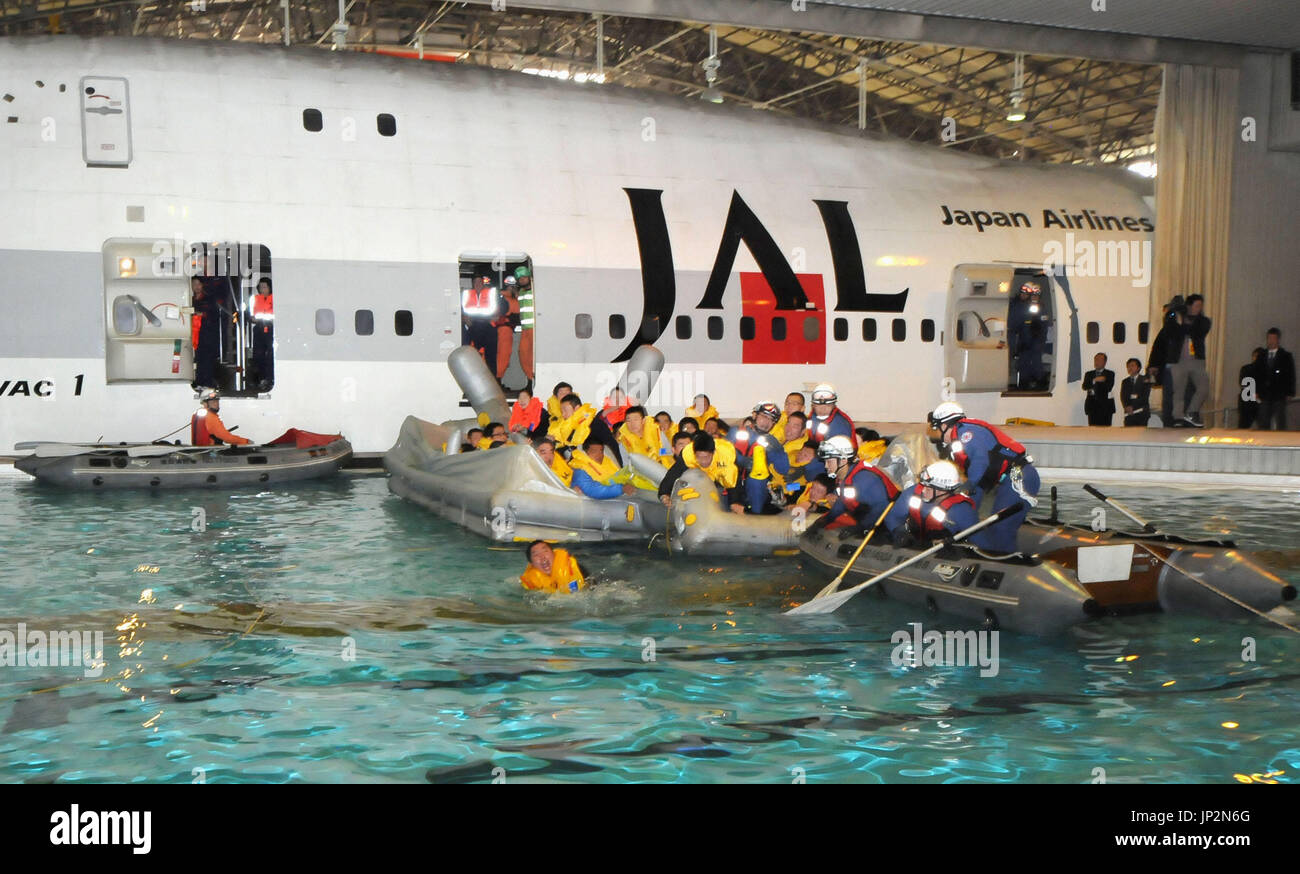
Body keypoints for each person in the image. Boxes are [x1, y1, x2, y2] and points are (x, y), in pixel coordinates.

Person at [927, 402, 1037, 554]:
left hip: (1019, 478)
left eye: (937, 429)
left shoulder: (966, 434)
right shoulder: (964, 437)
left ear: (945, 425)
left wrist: (969, 485)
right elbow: (977, 485)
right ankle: (993, 552)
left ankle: (1002, 560)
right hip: (1011, 479)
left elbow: (980, 462)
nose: (939, 437)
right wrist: (964, 513)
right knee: (995, 525)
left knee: (1002, 527)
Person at [883, 461, 994, 550]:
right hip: (914, 544)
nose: (923, 490)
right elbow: (893, 516)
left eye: (929, 488)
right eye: (923, 485)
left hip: (944, 552)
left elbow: (982, 544)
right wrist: (899, 531)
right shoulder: (913, 493)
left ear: (943, 490)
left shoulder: (961, 511)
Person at [799, 434, 899, 533]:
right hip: (867, 518)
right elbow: (841, 504)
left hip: (887, 525)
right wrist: (824, 521)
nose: (826, 466)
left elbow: (882, 506)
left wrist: (861, 528)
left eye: (829, 462)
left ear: (843, 460)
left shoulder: (863, 478)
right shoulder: (846, 477)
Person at [732, 402, 792, 514]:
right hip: (731, 484)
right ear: (755, 415)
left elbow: (783, 469)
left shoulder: (771, 441)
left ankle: (755, 515)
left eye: (771, 420)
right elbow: (721, 454)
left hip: (755, 487)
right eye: (764, 416)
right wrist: (741, 460)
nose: (766, 422)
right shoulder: (736, 432)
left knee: (757, 480)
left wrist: (777, 451)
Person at [658, 433, 742, 512]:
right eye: (699, 457)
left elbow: (733, 480)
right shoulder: (688, 455)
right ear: (694, 454)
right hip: (697, 483)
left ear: (713, 453)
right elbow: (672, 475)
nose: (703, 461)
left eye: (706, 457)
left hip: (718, 483)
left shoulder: (725, 456)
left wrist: (735, 501)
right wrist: (664, 494)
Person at [1167, 294, 1211, 427]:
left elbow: (1196, 332)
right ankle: (1178, 418)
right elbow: (1171, 332)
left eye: (1200, 306)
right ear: (1189, 306)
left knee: (1204, 387)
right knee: (1179, 391)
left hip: (1196, 360)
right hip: (1178, 360)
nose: (1199, 308)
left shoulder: (1203, 321)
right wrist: (1176, 316)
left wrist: (1182, 323)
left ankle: (1192, 411)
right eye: (1196, 305)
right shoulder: (1175, 317)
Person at [1007, 280, 1049, 390]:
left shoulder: (1039, 309)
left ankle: (1039, 382)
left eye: (1036, 295)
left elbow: (1043, 327)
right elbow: (1016, 323)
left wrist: (1039, 340)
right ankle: (1024, 383)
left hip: (1035, 340)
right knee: (1023, 362)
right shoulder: (1019, 306)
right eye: (1032, 295)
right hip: (1023, 340)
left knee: (1035, 361)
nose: (1034, 297)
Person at [569, 436, 637, 500]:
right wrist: (621, 489)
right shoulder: (579, 469)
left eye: (601, 451)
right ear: (585, 452)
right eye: (594, 451)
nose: (599, 455)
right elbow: (592, 490)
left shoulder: (607, 462)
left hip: (619, 499)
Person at [1257, 328, 1296, 431]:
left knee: (1280, 421)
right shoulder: (1261, 355)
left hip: (1279, 394)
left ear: (1278, 340)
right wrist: (1256, 391)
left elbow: (1290, 375)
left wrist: (1290, 393)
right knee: (1263, 421)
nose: (1271, 341)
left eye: (1273, 338)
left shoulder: (1286, 356)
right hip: (1264, 394)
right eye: (1269, 338)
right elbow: (1257, 374)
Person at [462, 275, 501, 368]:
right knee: (473, 356)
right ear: (472, 284)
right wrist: (465, 319)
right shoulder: (467, 294)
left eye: (480, 282)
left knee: (491, 357)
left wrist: (497, 317)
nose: (477, 284)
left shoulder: (491, 293)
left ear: (483, 283)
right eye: (475, 282)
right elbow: (460, 310)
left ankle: (492, 376)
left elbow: (501, 308)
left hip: (489, 327)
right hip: (473, 327)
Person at [520, 540, 586, 593]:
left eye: (545, 551)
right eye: (536, 555)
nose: (542, 557)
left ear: (554, 554)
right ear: (532, 564)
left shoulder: (576, 569)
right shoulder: (531, 584)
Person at [806, 383, 857, 450]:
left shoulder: (840, 424)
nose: (823, 408)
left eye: (827, 405)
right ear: (813, 405)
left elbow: (839, 451)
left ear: (833, 405)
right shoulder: (812, 418)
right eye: (819, 405)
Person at [190, 276, 220, 390]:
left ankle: (207, 382)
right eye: (194, 284)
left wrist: (201, 314)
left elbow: (214, 314)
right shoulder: (190, 299)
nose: (196, 287)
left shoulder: (209, 299)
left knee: (206, 358)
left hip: (206, 333)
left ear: (202, 285)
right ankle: (198, 382)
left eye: (198, 284)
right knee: (197, 358)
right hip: (194, 333)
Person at [494, 276, 521, 384]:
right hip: (504, 330)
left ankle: (494, 379)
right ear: (512, 288)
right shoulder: (510, 300)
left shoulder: (498, 297)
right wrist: (517, 296)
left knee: (494, 355)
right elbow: (519, 311)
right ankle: (497, 380)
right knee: (503, 356)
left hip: (495, 329)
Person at [250, 277, 274, 391]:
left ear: (270, 288)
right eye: (260, 287)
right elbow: (250, 314)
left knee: (271, 355)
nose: (262, 289)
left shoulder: (275, 299)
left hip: (271, 328)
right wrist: (252, 318)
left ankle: (270, 378)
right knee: (258, 355)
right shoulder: (254, 299)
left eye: (264, 287)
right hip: (259, 329)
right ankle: (261, 379)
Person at [514, 266, 535, 390]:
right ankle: (530, 379)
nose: (522, 280)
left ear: (529, 277)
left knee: (533, 356)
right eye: (519, 278)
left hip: (534, 329)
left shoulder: (536, 290)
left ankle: (532, 383)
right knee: (523, 355)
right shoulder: (521, 292)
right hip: (525, 329)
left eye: (524, 277)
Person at [1082, 352, 1116, 426]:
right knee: (1092, 429)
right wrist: (1094, 380)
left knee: (1105, 430)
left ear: (1105, 362)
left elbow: (1109, 387)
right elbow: (1084, 386)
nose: (1097, 362)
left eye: (1100, 360)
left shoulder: (1110, 373)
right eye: (1096, 359)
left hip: (1106, 407)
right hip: (1092, 406)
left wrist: (1102, 381)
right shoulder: (1089, 374)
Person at [1238, 347, 1265, 430]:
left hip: (1259, 402)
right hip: (1248, 402)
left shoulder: (1265, 370)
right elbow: (1243, 383)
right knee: (1243, 427)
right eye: (1254, 356)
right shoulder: (1246, 369)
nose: (1256, 358)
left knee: (1264, 427)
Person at [1120, 357, 1151, 427]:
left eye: (1132, 365)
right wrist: (1126, 406)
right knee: (1128, 433)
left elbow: (1145, 396)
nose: (1130, 368)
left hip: (1141, 413)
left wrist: (1133, 407)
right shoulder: (1125, 381)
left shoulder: (1145, 380)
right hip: (1129, 414)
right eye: (1128, 366)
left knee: (1141, 433)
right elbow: (1123, 396)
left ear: (1138, 368)